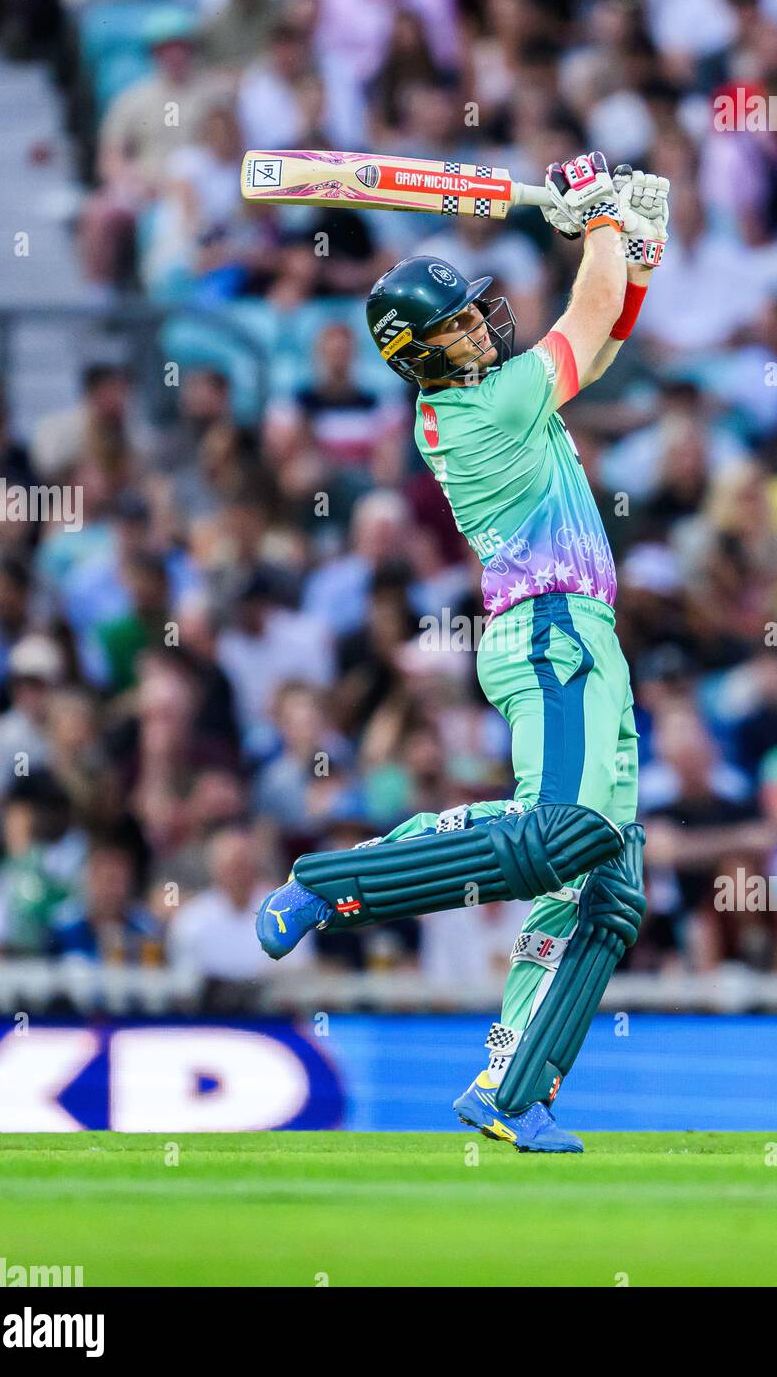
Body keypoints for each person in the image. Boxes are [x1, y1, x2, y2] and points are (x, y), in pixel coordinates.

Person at [253, 155, 669, 1152]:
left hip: (581, 634)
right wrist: (599, 221)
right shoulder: (483, 409)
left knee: (608, 890)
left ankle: (512, 1084)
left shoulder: (502, 391)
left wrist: (626, 244)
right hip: (550, 630)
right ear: (422, 357)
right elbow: (584, 323)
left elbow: (602, 338)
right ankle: (333, 881)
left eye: (479, 315)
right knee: (563, 829)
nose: (483, 328)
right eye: (459, 327)